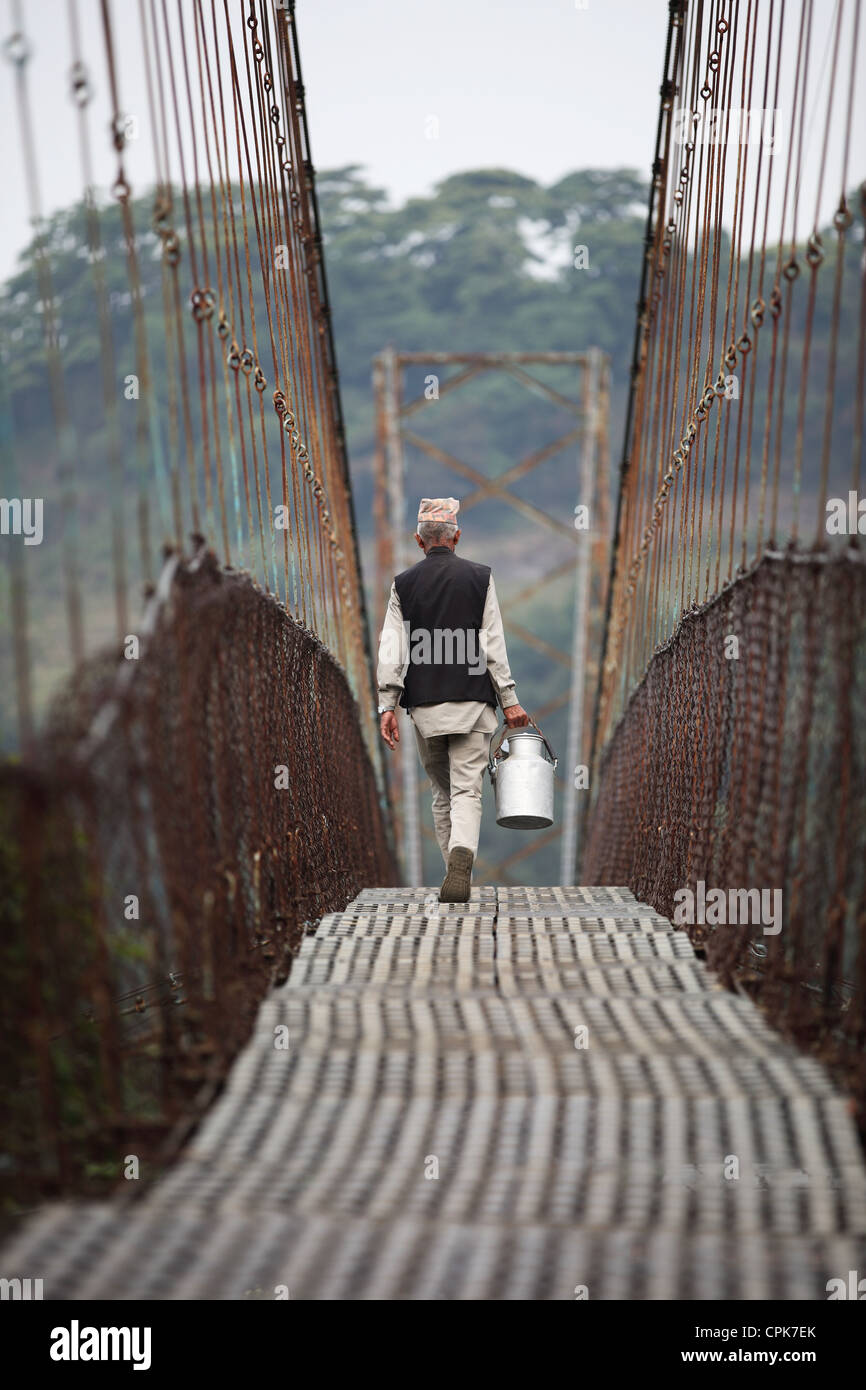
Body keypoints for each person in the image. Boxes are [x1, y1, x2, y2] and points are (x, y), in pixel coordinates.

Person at [376, 495, 529, 902]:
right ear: (456, 536)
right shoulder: (480, 578)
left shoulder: (402, 585)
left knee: (442, 793)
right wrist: (510, 699)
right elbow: (492, 644)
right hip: (474, 706)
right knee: (467, 790)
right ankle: (462, 859)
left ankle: (452, 870)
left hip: (425, 709)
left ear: (418, 540)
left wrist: (386, 705)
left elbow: (391, 649)